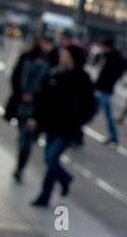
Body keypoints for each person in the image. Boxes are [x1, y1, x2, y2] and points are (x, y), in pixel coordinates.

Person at [31, 43, 97, 207]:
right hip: (52, 124)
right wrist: (36, 117)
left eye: (64, 54)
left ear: (72, 57)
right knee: (49, 160)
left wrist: (81, 119)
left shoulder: (83, 78)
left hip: (69, 128)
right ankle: (56, 186)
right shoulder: (56, 73)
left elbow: (91, 105)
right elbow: (44, 98)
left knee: (51, 158)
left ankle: (53, 188)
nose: (61, 56)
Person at [11, 36, 53, 180]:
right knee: (23, 137)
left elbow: (49, 89)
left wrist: (34, 97)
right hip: (22, 104)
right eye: (45, 42)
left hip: (38, 108)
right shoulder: (26, 57)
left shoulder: (52, 62)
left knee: (28, 140)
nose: (47, 46)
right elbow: (15, 76)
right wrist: (21, 94)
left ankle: (20, 167)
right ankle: (20, 165)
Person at [92, 40, 127, 145]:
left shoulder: (111, 58)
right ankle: (114, 137)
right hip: (107, 89)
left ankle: (75, 133)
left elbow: (106, 74)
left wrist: (98, 85)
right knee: (107, 115)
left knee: (90, 112)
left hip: (104, 89)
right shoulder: (115, 57)